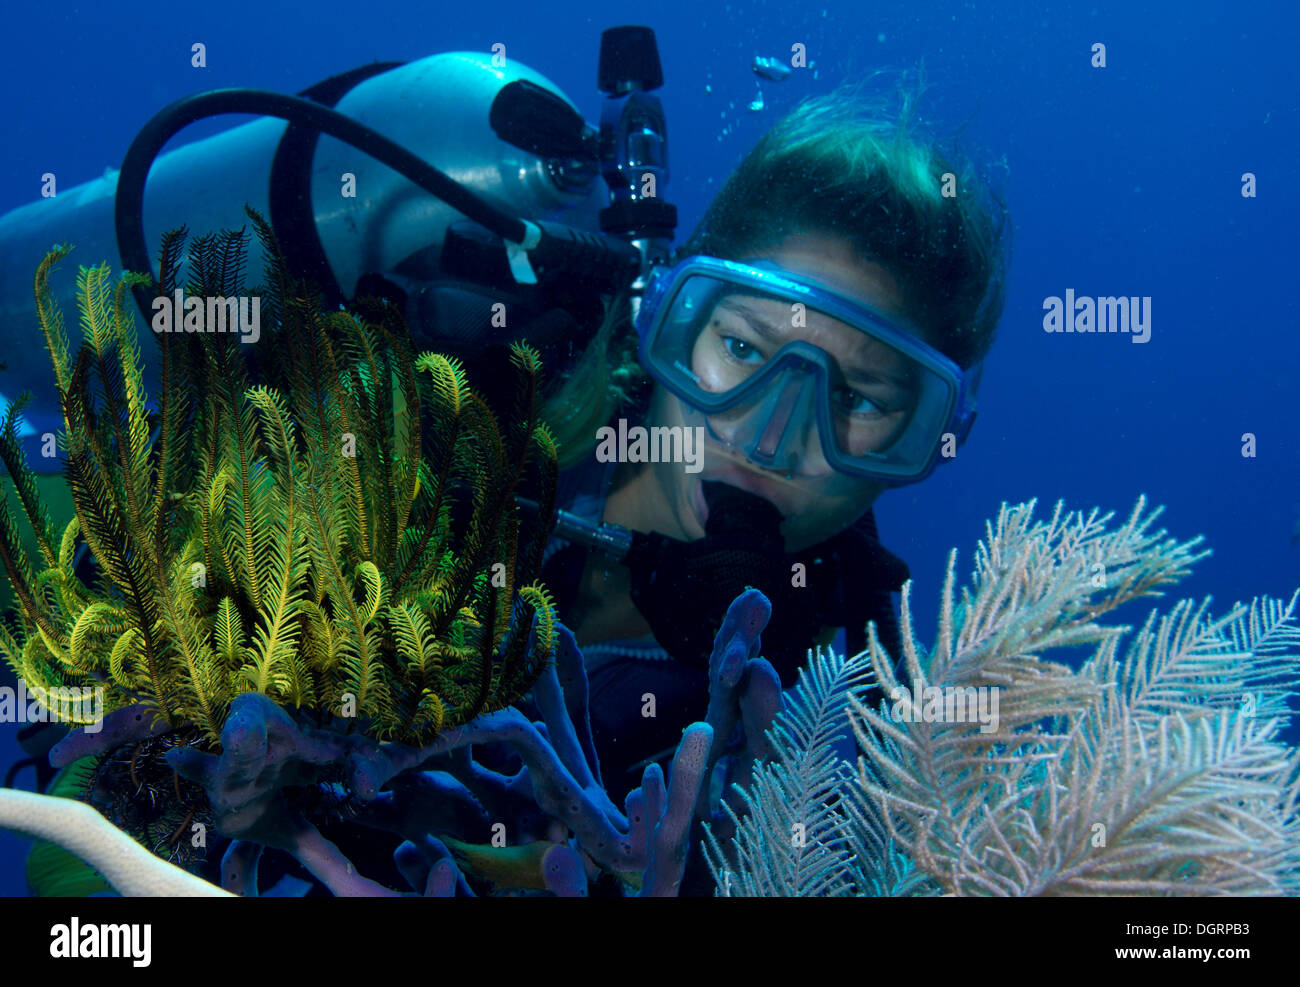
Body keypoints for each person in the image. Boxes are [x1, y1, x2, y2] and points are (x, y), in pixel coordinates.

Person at [534, 87, 1009, 796]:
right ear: (671, 315)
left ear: (917, 439)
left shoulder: (836, 718)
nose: (768, 439)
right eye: (742, 347)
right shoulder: (502, 415)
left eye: (853, 398)